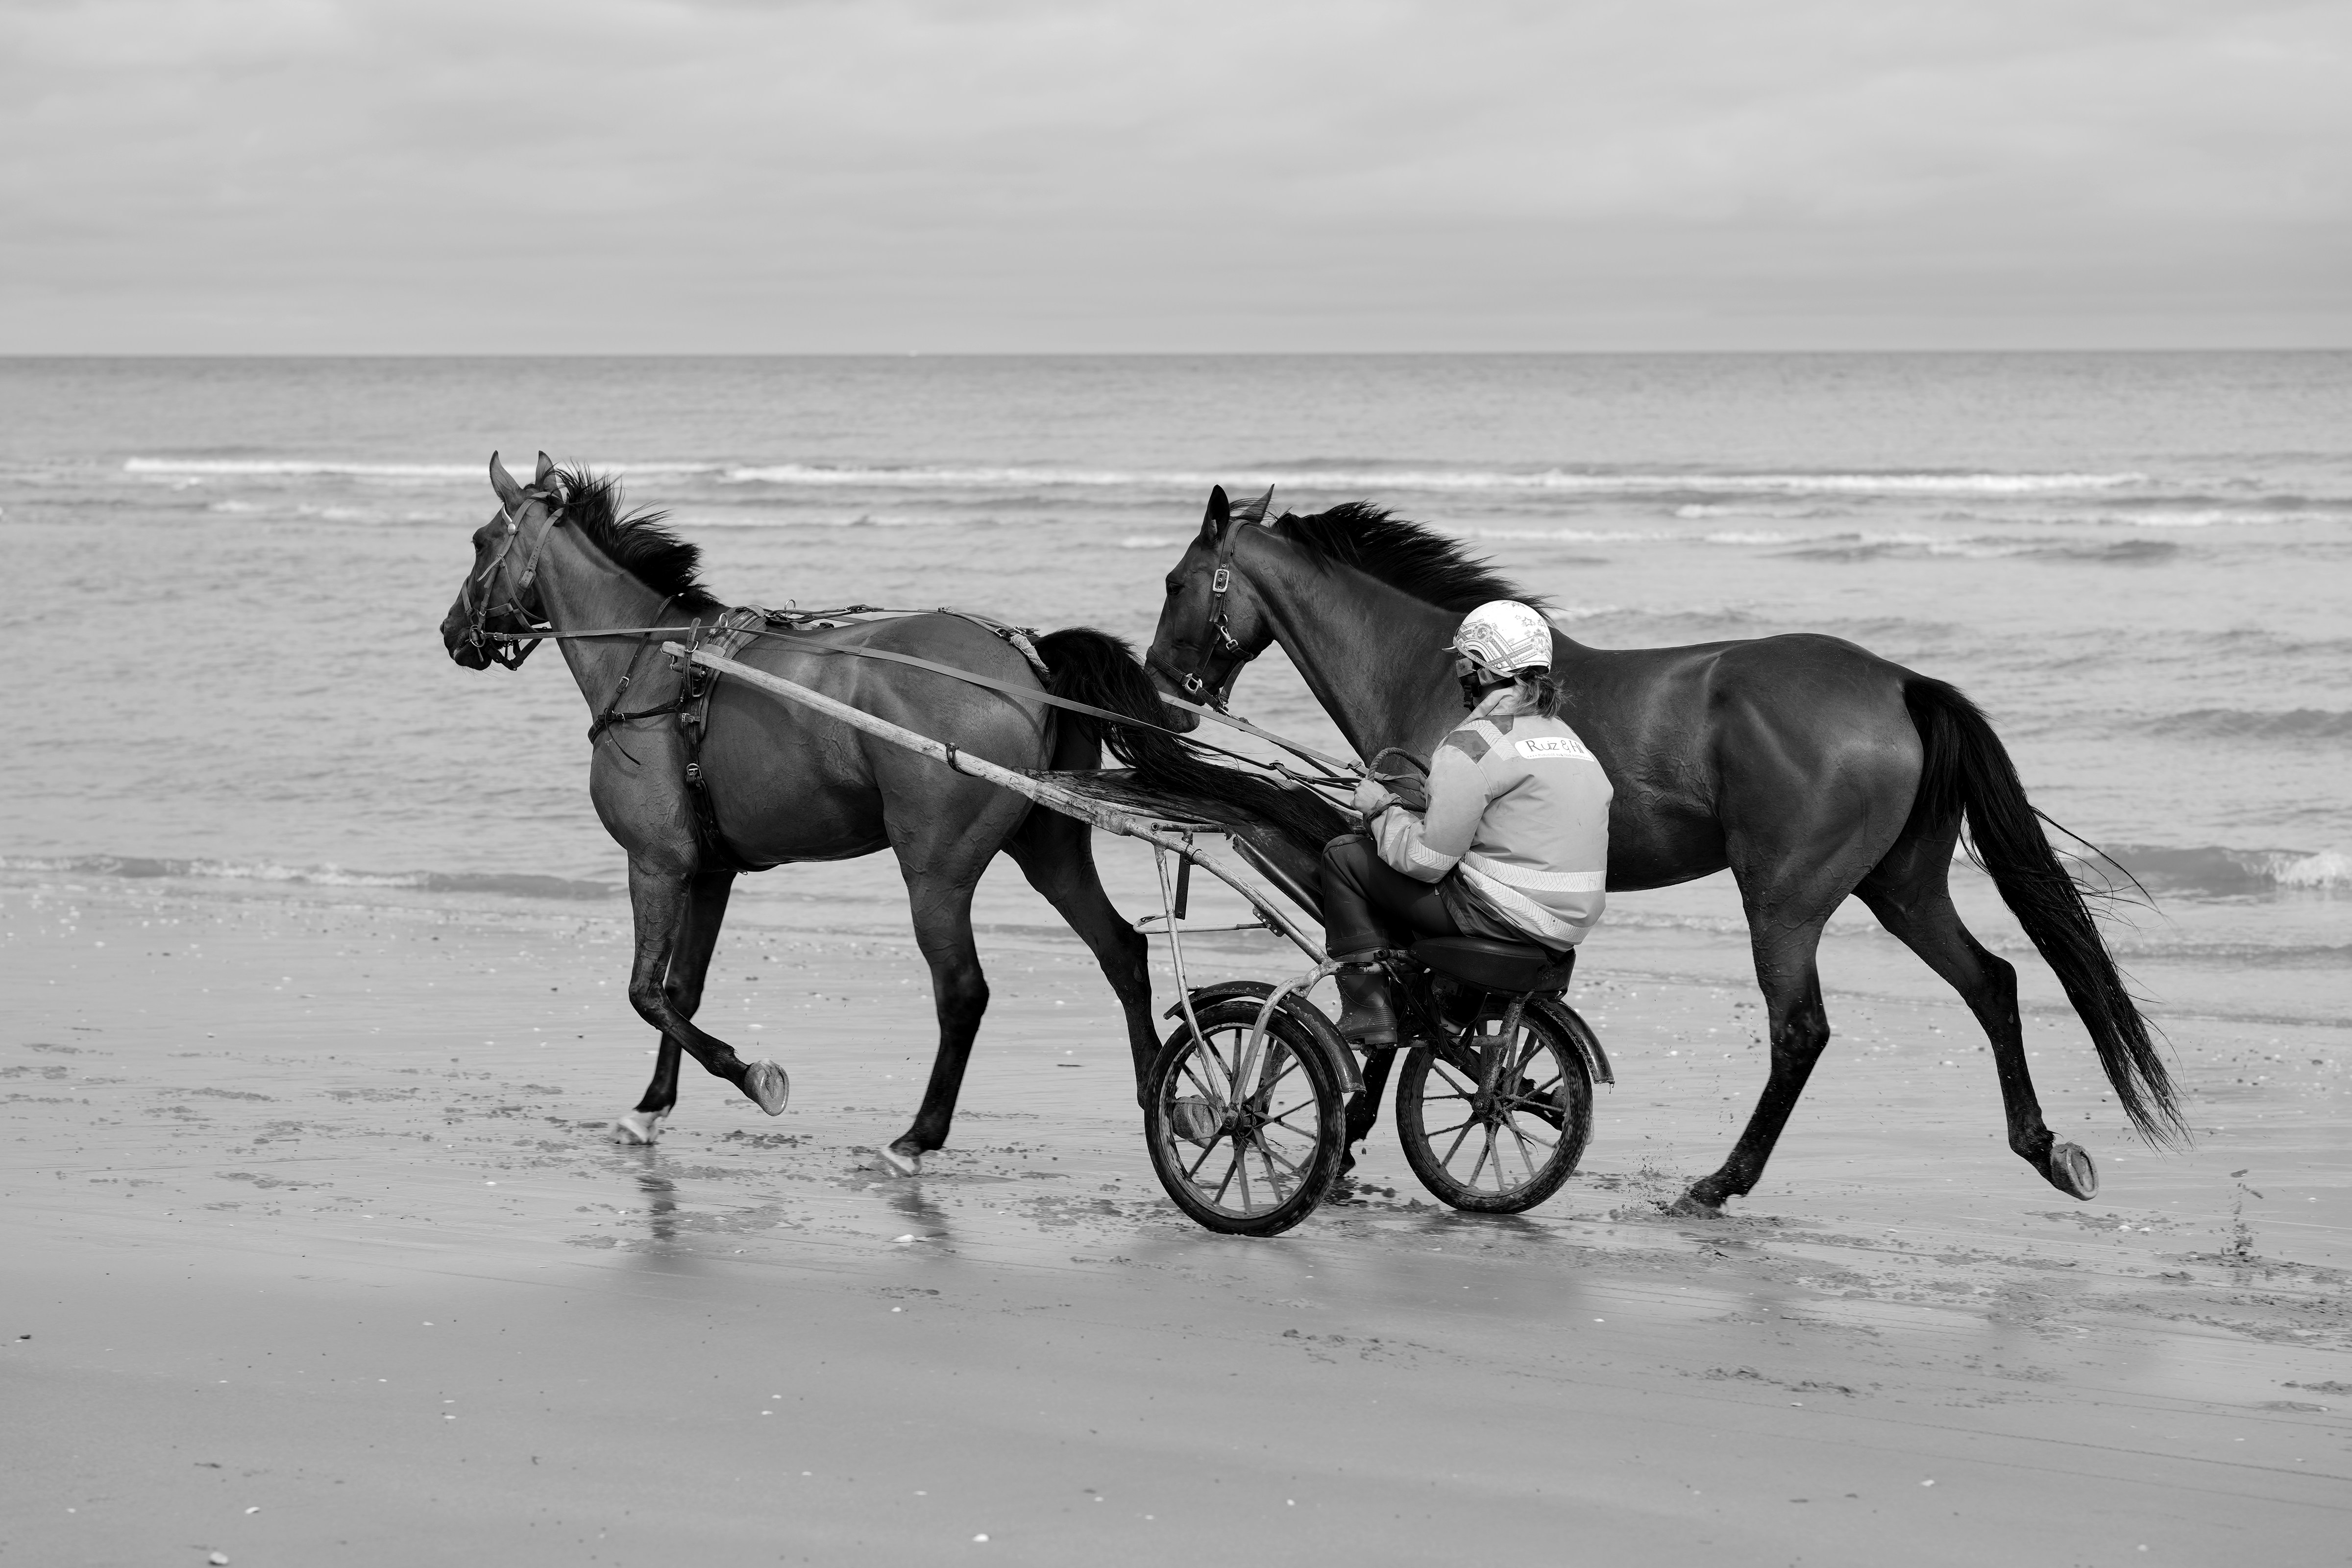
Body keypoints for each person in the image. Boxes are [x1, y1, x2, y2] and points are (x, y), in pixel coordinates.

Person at [1319, 600, 1614, 1044]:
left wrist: (1380, 809)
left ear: (1487, 673)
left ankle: (1367, 1011)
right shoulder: (1566, 736)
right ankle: (1449, 1004)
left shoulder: (1472, 744)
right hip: (1568, 923)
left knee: (1343, 855)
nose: (1460, 674)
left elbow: (1427, 860)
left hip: (1508, 917)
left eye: (1465, 664)